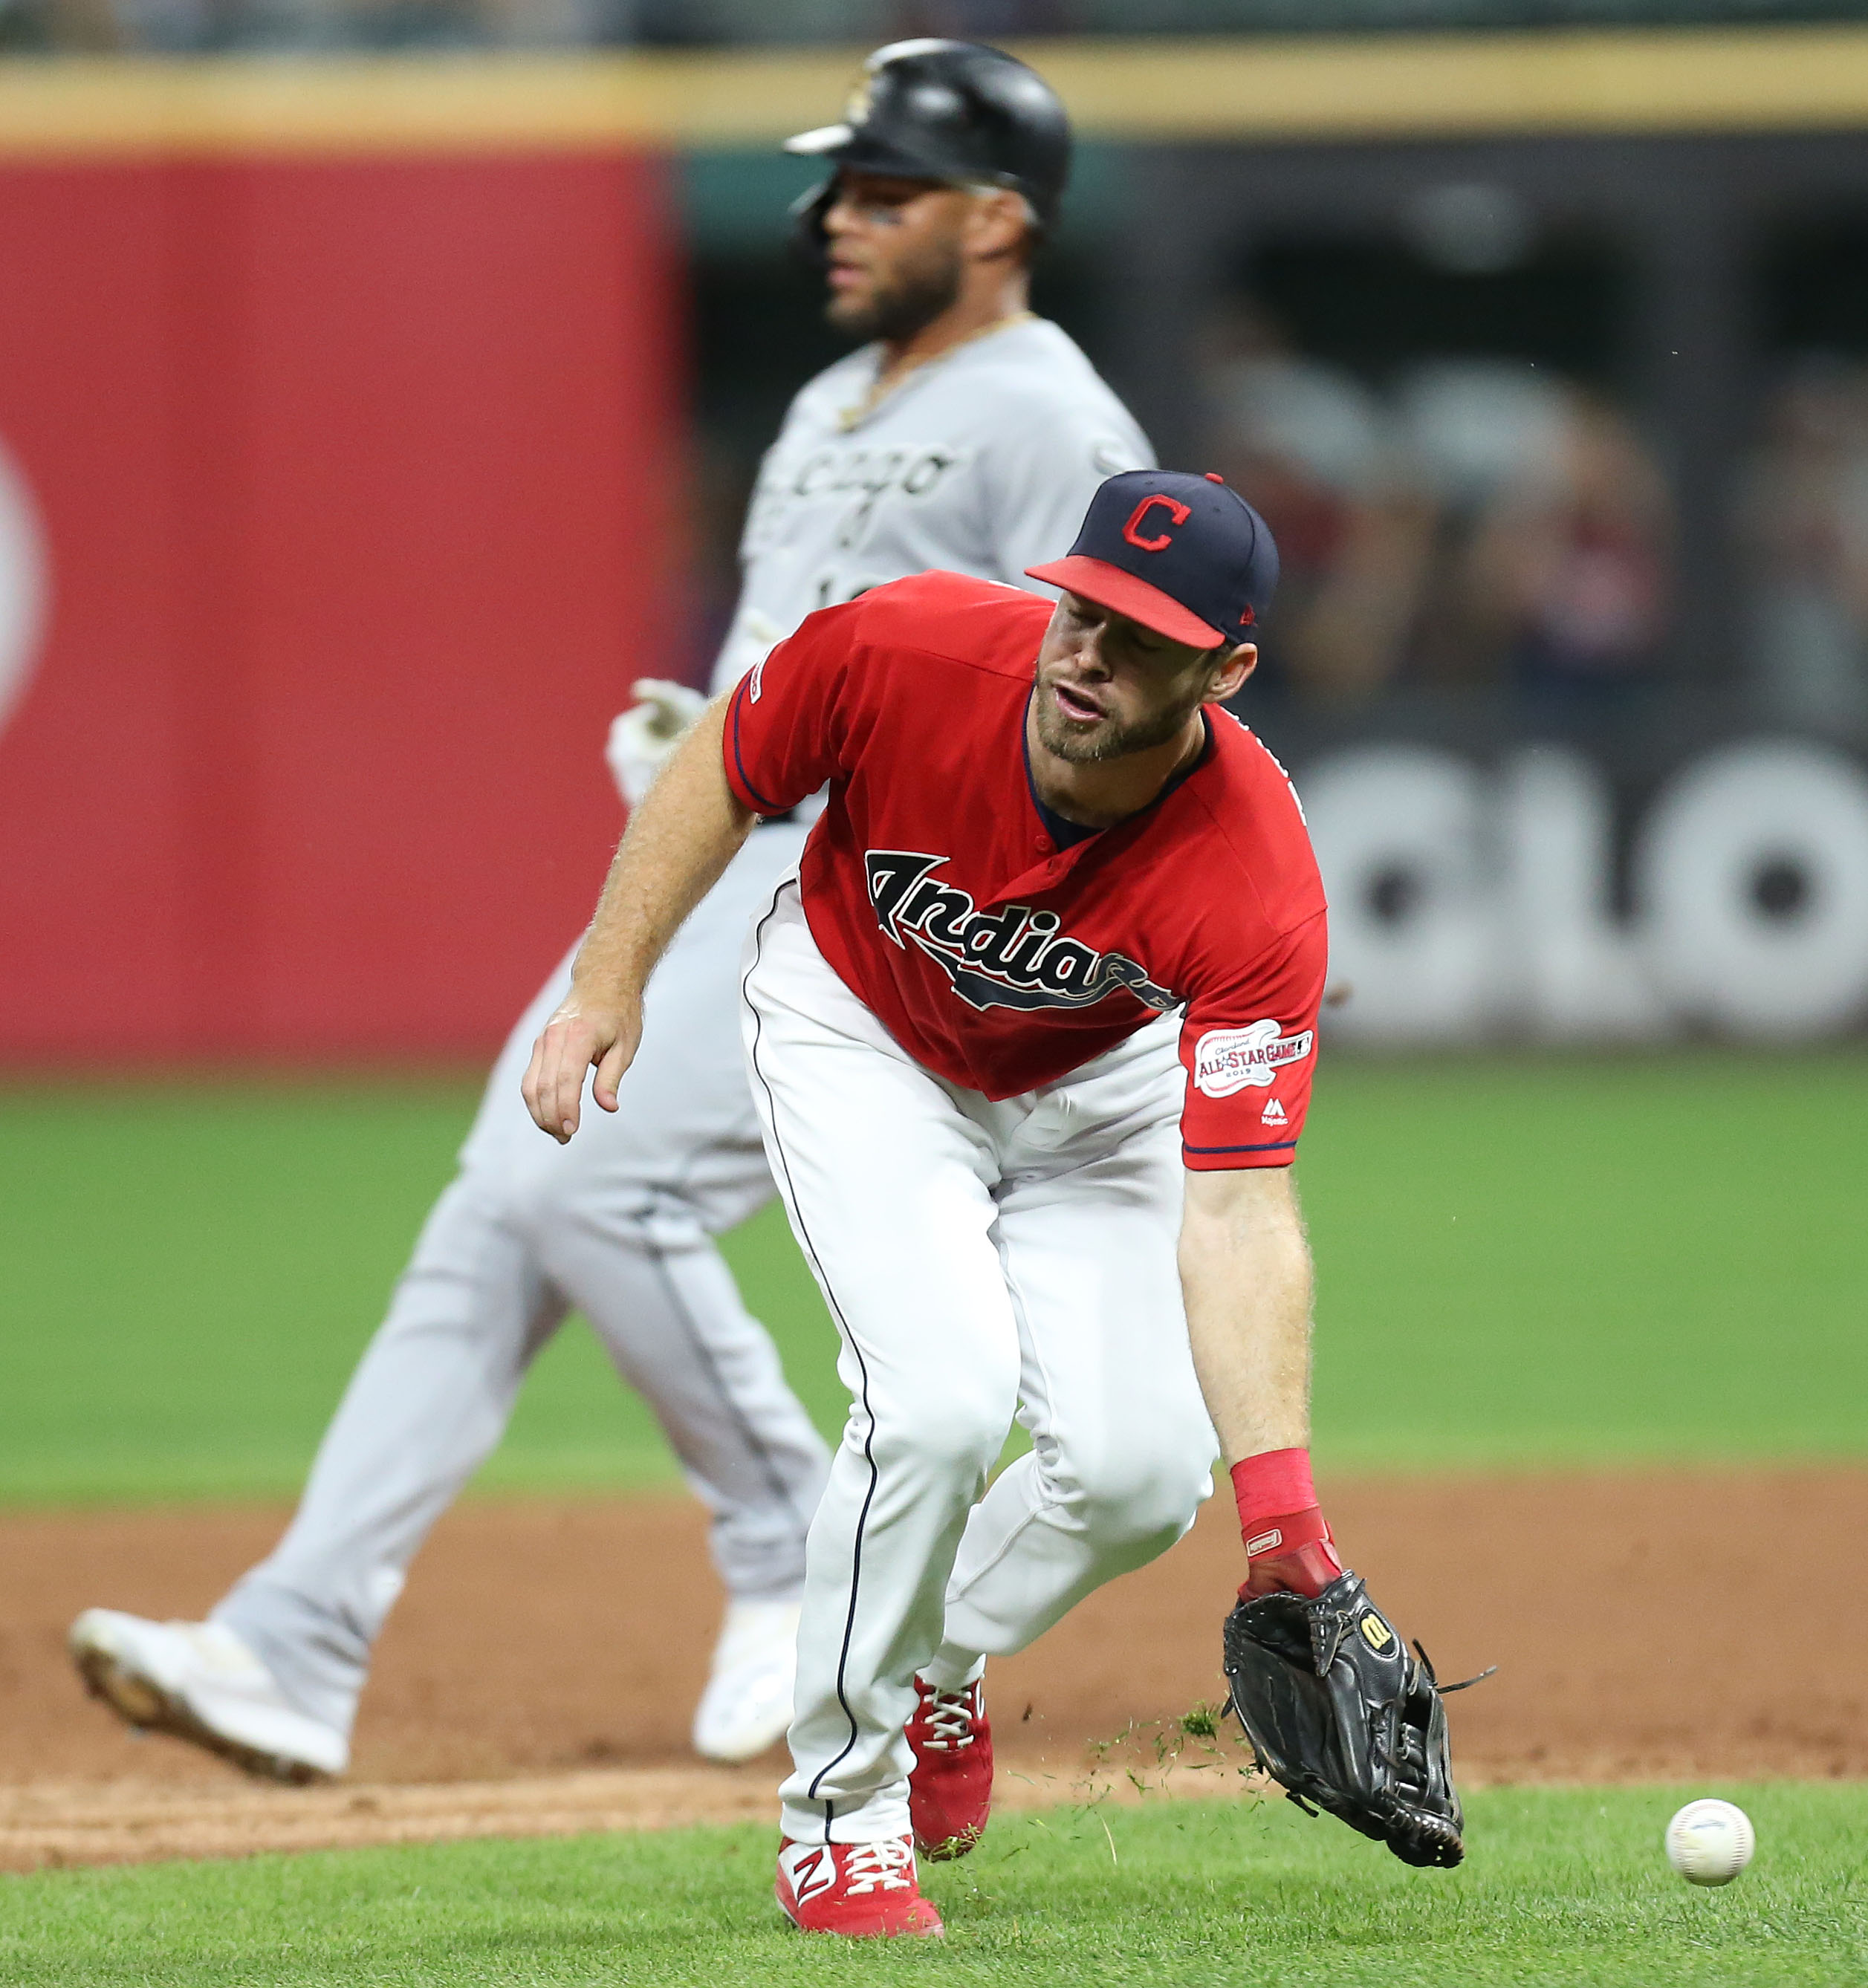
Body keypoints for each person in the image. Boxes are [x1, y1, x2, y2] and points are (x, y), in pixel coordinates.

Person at [68, 38, 1153, 1784]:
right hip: (744, 847)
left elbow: (1098, 690)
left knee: (588, 1173)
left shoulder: (1053, 414)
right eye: (840, 184)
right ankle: (293, 1640)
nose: (840, 216)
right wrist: (711, 736)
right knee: (501, 1199)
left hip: (863, 894)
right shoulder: (834, 403)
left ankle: (794, 1541)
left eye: (889, 190)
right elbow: (812, 654)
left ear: (1002, 217)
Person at [521, 470, 1441, 1939]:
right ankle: (837, 1817)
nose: (1089, 657)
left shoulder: (1258, 878)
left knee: (1143, 1475)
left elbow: (1242, 1209)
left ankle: (936, 1659)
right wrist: (608, 977)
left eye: (1143, 641)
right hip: (862, 1038)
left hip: (1097, 1095)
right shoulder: (907, 650)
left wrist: (1290, 1523)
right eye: (1084, 614)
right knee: (940, 1403)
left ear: (1227, 668)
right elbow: (722, 766)